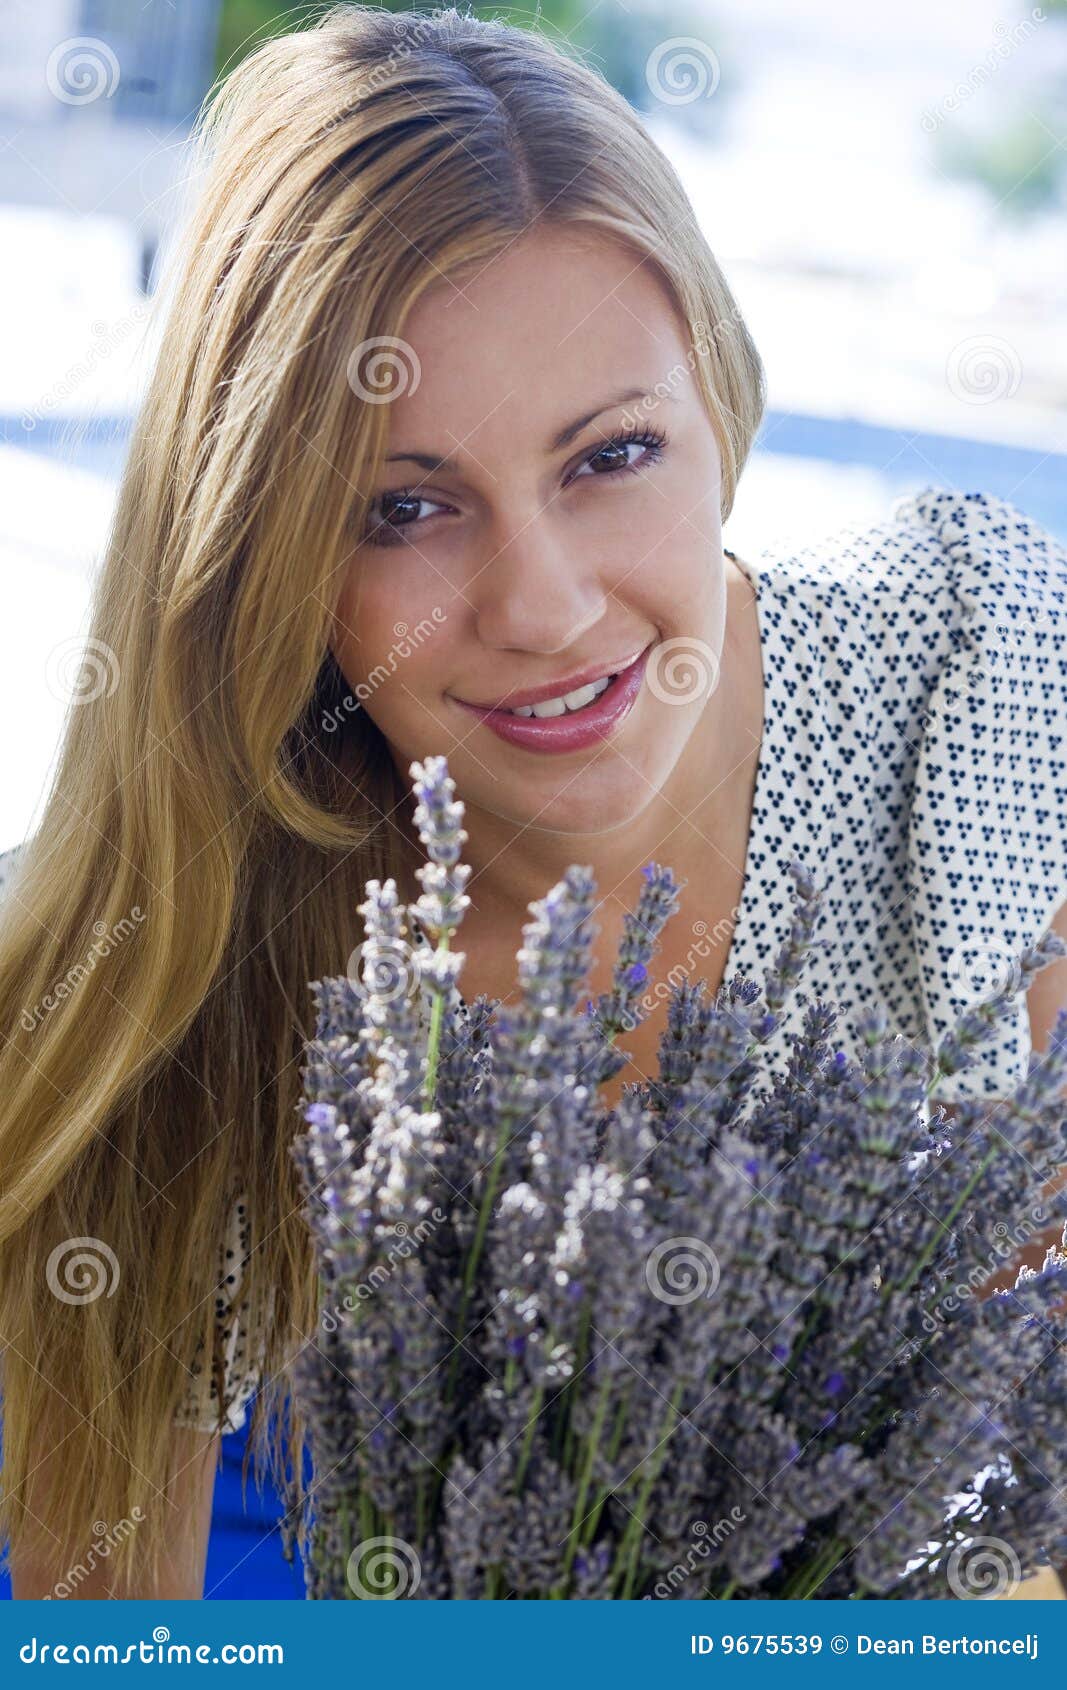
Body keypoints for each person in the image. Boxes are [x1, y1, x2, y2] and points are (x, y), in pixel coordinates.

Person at [0, 3, 1064, 1600]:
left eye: (612, 454)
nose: (544, 605)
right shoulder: (157, 971)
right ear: (268, 552)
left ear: (725, 408)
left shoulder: (975, 708)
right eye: (406, 506)